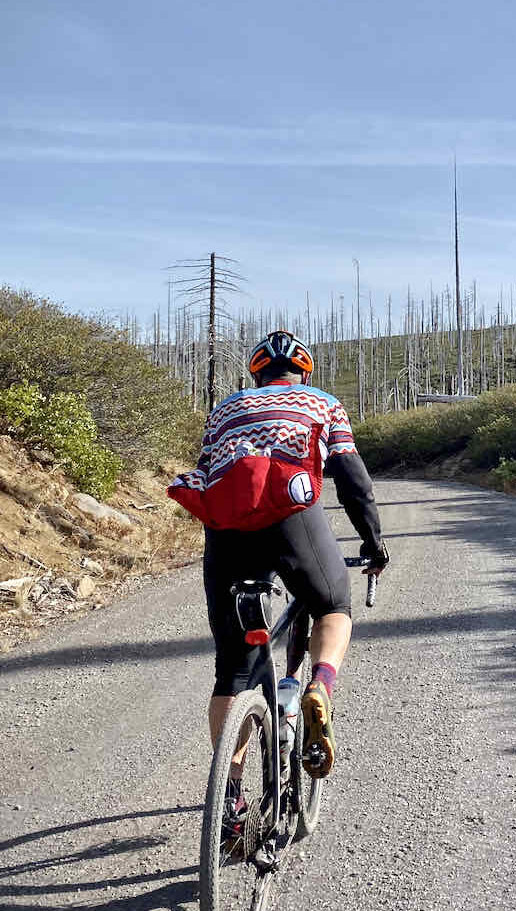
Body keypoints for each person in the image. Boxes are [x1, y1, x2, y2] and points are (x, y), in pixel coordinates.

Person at [167, 330, 388, 837]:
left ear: (256, 374)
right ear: (303, 373)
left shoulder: (225, 409)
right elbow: (354, 482)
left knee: (234, 668)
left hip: (227, 530)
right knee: (332, 605)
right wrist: (373, 544)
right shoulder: (324, 403)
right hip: (291, 511)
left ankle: (231, 799)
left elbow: (208, 474)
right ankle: (319, 687)